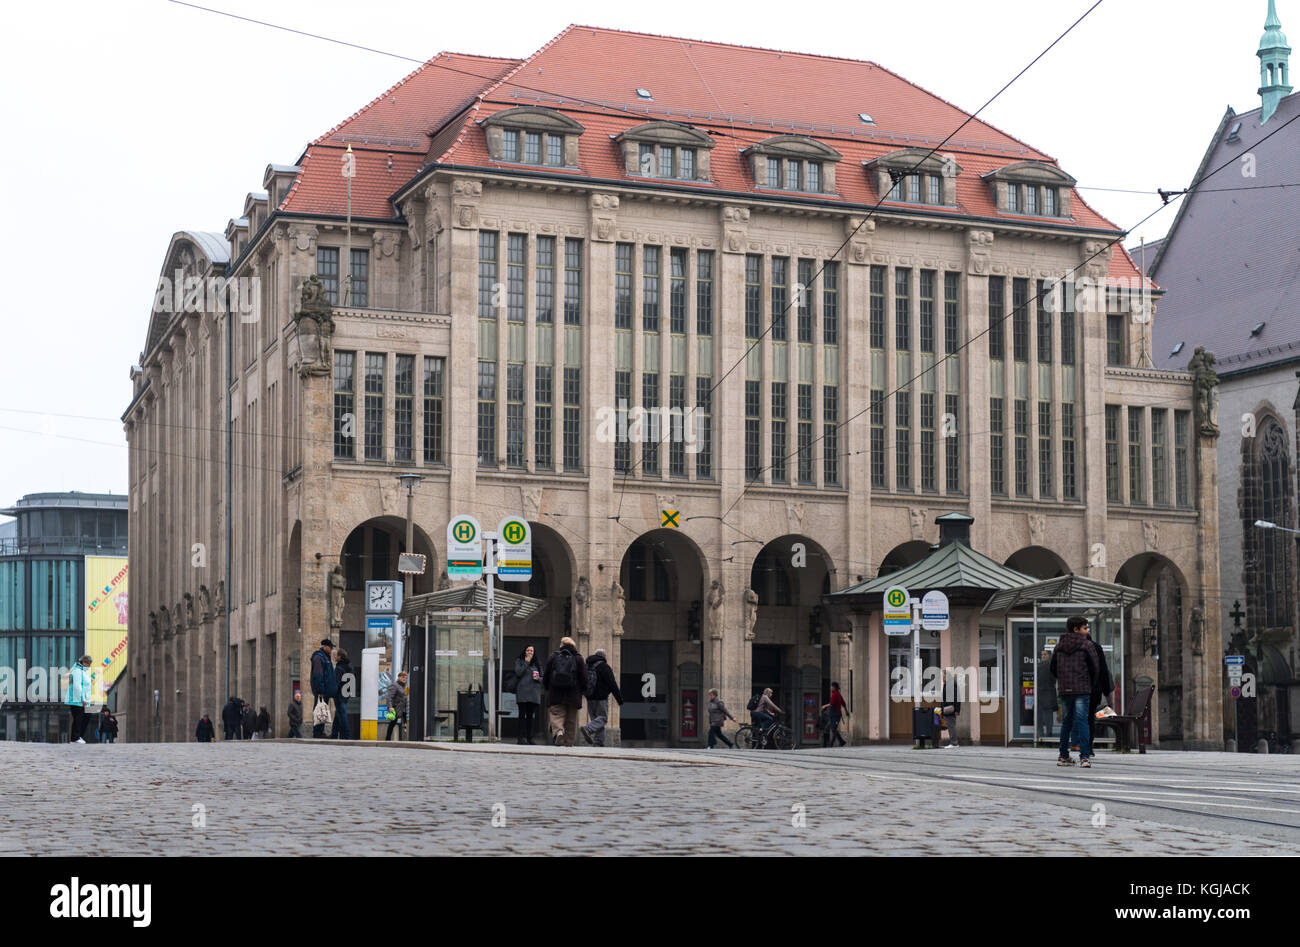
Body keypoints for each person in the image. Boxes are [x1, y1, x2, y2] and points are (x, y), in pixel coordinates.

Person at [1050, 615, 1100, 768]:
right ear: (1076, 629)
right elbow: (1095, 668)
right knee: (1082, 721)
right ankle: (1084, 757)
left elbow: (1053, 668)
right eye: (1085, 628)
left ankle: (1063, 756)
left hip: (1065, 690)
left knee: (1067, 722)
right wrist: (1089, 683)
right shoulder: (1087, 645)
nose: (1087, 631)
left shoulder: (1059, 646)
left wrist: (1063, 680)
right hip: (1082, 689)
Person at [542, 636, 588, 746]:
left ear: (561, 645)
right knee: (571, 719)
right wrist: (582, 690)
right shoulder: (578, 658)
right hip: (573, 693)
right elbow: (584, 677)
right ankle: (569, 742)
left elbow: (547, 675)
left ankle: (559, 732)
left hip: (556, 692)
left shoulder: (553, 657)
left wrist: (547, 687)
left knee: (556, 714)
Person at [1079, 623, 1114, 752]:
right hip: (1094, 689)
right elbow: (1103, 670)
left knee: (1080, 717)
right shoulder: (1096, 647)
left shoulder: (1076, 647)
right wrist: (1105, 690)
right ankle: (1088, 746)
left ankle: (1080, 745)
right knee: (1089, 718)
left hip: (1078, 688)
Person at [580, 648, 624, 746]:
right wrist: (619, 699)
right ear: (604, 656)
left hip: (590, 697)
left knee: (596, 719)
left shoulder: (586, 666)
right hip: (601, 697)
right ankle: (588, 729)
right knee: (603, 718)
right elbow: (612, 683)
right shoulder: (604, 667)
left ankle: (598, 742)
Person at [309, 638, 338, 739]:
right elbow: (318, 675)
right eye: (330, 647)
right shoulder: (318, 657)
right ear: (324, 647)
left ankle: (320, 731)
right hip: (321, 691)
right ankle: (317, 732)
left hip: (325, 690)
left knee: (323, 710)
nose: (331, 649)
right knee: (319, 710)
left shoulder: (325, 657)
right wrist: (320, 690)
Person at [514, 646, 543, 745]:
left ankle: (530, 738)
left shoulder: (537, 663)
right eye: (528, 650)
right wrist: (526, 662)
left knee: (531, 716)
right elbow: (518, 673)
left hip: (533, 693)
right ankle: (521, 738)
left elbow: (543, 678)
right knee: (522, 715)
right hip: (522, 692)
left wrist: (538, 678)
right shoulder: (519, 661)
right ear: (524, 651)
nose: (530, 652)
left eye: (532, 651)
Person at [65, 655, 94, 744]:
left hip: (83, 700)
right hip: (77, 700)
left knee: (86, 716)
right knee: (79, 718)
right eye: (89, 663)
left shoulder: (83, 671)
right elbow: (77, 686)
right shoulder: (77, 671)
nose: (90, 665)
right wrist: (82, 699)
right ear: (84, 662)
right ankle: (75, 738)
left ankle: (78, 736)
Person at [331, 648, 354, 740]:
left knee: (342, 714)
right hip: (346, 693)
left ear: (340, 657)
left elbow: (336, 681)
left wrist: (333, 691)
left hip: (340, 693)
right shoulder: (350, 665)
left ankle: (346, 736)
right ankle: (334, 734)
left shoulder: (340, 667)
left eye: (336, 655)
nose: (335, 657)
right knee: (338, 714)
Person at [1036, 649, 1058, 739]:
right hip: (1046, 693)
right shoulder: (1044, 665)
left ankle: (1044, 736)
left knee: (1044, 716)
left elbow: (1052, 679)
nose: (1043, 656)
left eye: (1045, 654)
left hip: (1045, 693)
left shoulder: (1044, 665)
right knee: (1044, 716)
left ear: (1049, 655)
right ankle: (1047, 735)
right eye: (1042, 655)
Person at [821, 681, 849, 748]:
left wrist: (824, 706)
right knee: (833, 729)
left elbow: (832, 703)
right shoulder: (837, 694)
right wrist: (846, 711)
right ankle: (836, 743)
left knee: (833, 729)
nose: (831, 688)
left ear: (834, 687)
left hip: (835, 715)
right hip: (835, 715)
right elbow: (843, 703)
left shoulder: (835, 694)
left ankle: (838, 742)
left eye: (832, 687)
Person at [937, 671, 960, 749]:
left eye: (943, 676)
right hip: (948, 708)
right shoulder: (948, 684)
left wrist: (957, 709)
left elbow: (957, 698)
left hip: (950, 708)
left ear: (947, 677)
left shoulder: (951, 685)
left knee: (951, 726)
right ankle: (953, 742)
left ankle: (954, 743)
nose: (942, 678)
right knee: (950, 726)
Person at [385, 671, 408, 741]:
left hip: (403, 708)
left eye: (405, 677)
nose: (404, 679)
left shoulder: (404, 686)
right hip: (396, 708)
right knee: (392, 723)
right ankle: (387, 738)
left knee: (404, 723)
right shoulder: (395, 685)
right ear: (399, 677)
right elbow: (389, 697)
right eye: (402, 677)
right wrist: (390, 707)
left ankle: (404, 737)